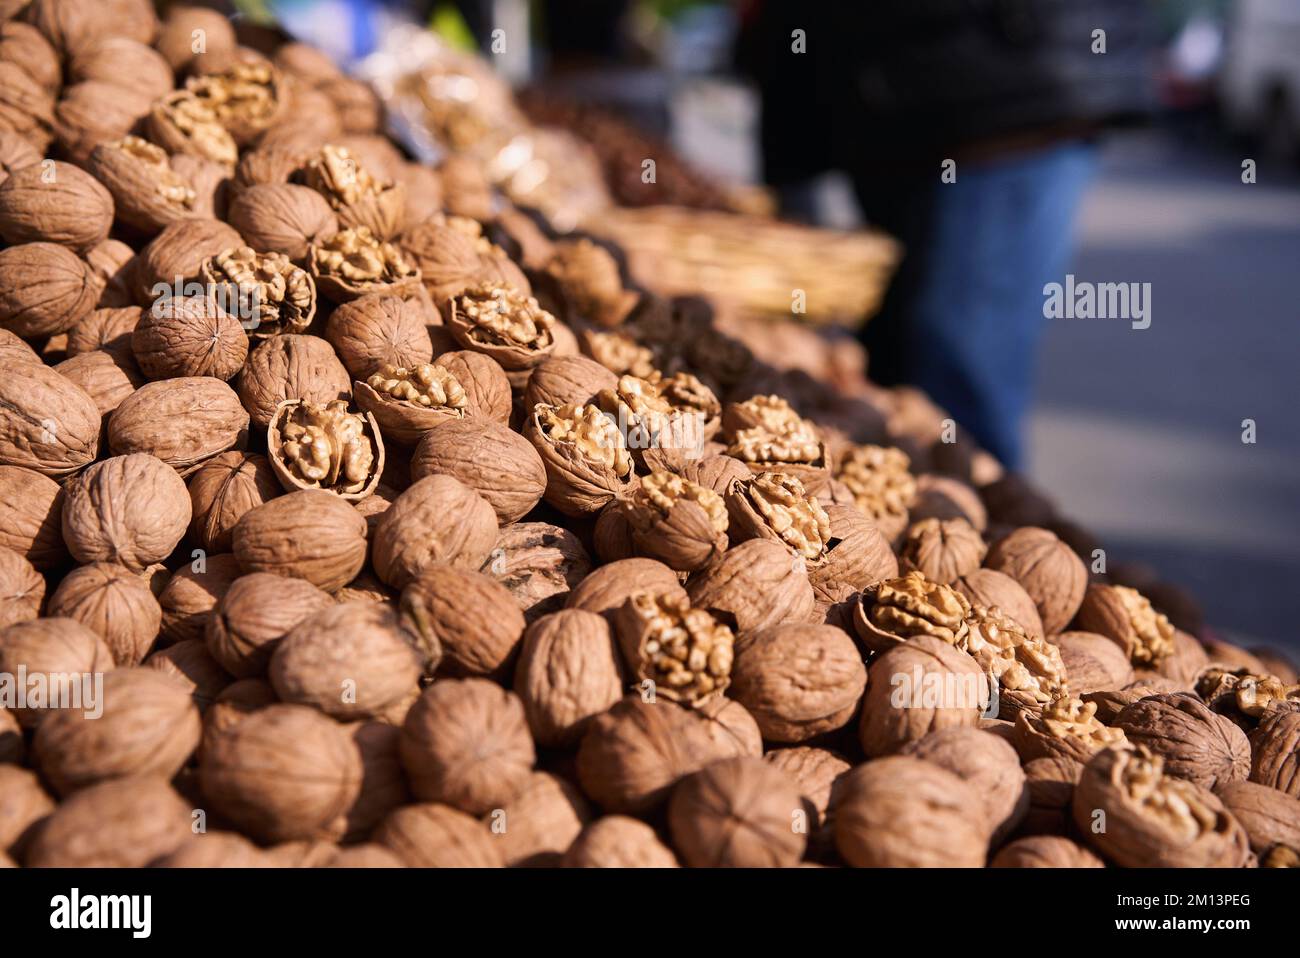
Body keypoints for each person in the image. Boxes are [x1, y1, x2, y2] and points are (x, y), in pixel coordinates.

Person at [738, 1, 1157, 468]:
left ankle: (970, 498)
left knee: (955, 371)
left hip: (1004, 90)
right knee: (893, 374)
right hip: (888, 103)